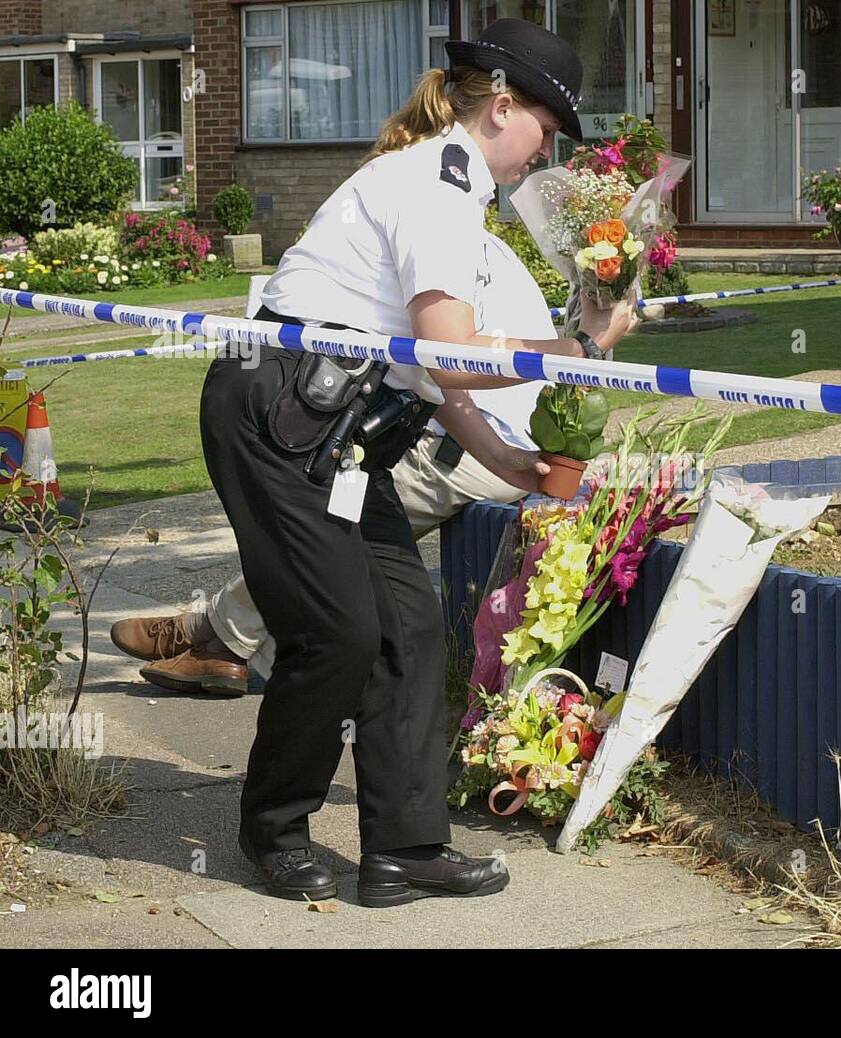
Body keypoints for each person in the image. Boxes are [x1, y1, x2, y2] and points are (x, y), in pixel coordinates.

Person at [192, 19, 635, 907]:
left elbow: (436, 379)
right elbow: (450, 354)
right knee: (338, 632)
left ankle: (404, 850)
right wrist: (578, 343)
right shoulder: (439, 184)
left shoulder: (452, 194)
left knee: (410, 627)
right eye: (545, 135)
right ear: (502, 107)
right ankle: (273, 830)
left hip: (338, 429)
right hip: (280, 416)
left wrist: (510, 461)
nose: (542, 158)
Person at [111, 231, 560, 694]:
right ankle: (213, 632)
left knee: (319, 532)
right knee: (324, 529)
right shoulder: (480, 247)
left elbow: (443, 367)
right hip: (488, 440)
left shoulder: (435, 249)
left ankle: (221, 640)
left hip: (474, 450)